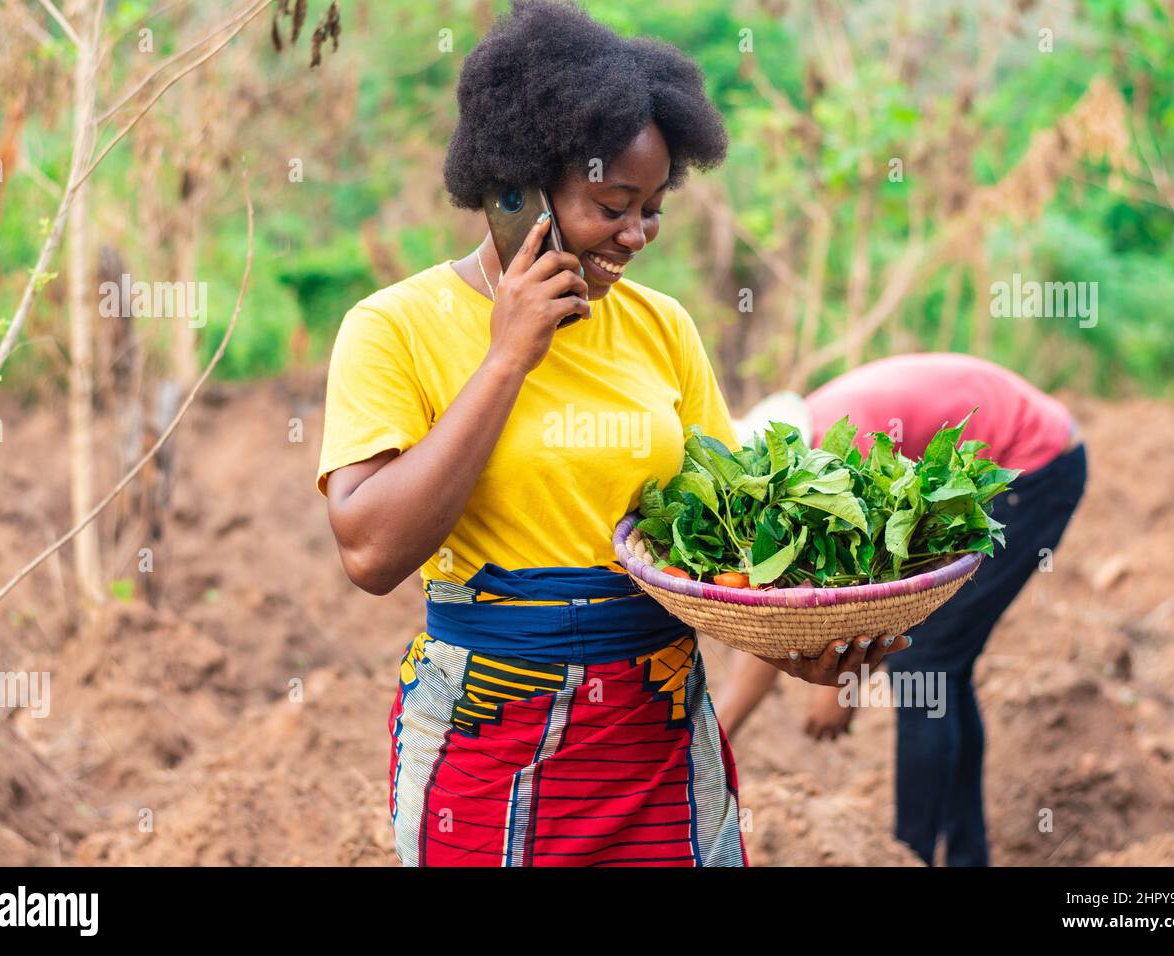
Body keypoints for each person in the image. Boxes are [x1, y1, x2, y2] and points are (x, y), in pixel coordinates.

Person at [316, 0, 905, 867]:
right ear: (516, 190)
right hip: (490, 739)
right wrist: (508, 357)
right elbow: (369, 554)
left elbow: (719, 541)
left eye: (653, 209)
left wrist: (796, 650)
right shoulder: (393, 328)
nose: (635, 236)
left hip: (657, 736)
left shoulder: (660, 327)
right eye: (610, 205)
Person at [714, 353, 1088, 866]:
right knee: (946, 673)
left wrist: (845, 682)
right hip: (1030, 449)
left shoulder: (844, 455)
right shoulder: (814, 441)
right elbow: (780, 605)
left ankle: (908, 854)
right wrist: (721, 732)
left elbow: (880, 583)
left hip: (1035, 466)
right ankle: (965, 857)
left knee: (925, 666)